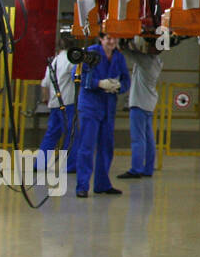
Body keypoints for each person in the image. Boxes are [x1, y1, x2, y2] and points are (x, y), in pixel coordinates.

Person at [74, 33, 132, 198]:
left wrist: (119, 86)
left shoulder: (119, 57)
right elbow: (77, 75)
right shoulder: (90, 53)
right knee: (86, 147)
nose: (112, 41)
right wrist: (97, 83)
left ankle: (102, 184)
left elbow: (126, 79)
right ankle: (82, 186)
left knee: (106, 147)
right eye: (108, 38)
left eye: (115, 38)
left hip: (108, 108)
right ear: (101, 39)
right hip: (90, 107)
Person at [119, 37, 164, 179]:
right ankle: (148, 168)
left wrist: (122, 44)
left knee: (138, 138)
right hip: (148, 103)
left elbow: (131, 54)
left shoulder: (147, 61)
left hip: (139, 103)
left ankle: (136, 169)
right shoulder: (156, 61)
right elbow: (138, 53)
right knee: (149, 138)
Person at [38, 34, 77, 173]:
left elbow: (44, 84)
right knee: (71, 135)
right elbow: (77, 77)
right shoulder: (71, 60)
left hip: (54, 104)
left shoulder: (54, 61)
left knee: (52, 133)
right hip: (68, 104)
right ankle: (70, 165)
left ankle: (39, 164)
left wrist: (46, 99)